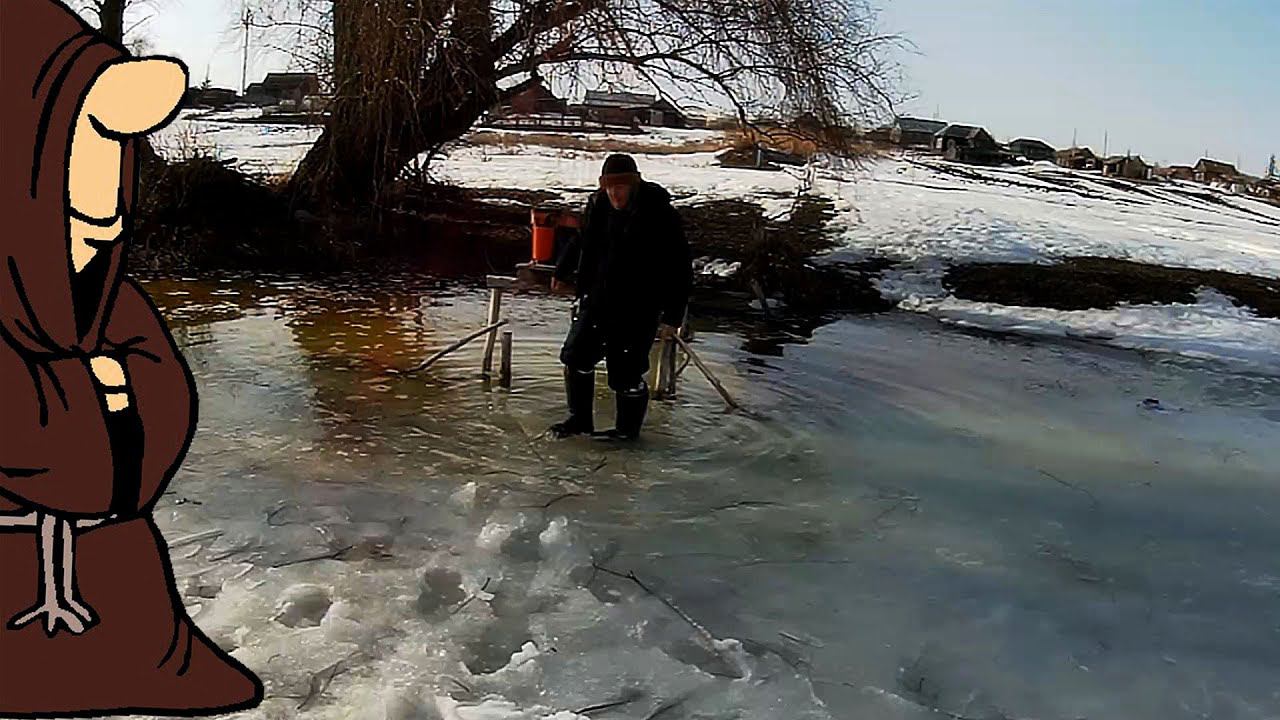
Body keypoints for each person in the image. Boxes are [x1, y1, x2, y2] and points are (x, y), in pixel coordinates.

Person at [0, 1, 262, 714]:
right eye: (81, 149)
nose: (103, 203)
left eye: (110, 152)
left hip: (112, 587)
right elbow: (62, 456)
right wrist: (103, 391)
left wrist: (80, 398)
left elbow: (162, 411)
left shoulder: (111, 295)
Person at [548, 154, 692, 441]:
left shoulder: (659, 213)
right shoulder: (598, 205)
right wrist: (562, 271)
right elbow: (581, 240)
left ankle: (627, 433)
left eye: (621, 187)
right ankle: (580, 420)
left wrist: (673, 317)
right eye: (609, 187)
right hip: (598, 298)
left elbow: (680, 267)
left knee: (625, 372)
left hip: (639, 306)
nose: (615, 193)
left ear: (634, 184)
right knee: (576, 356)